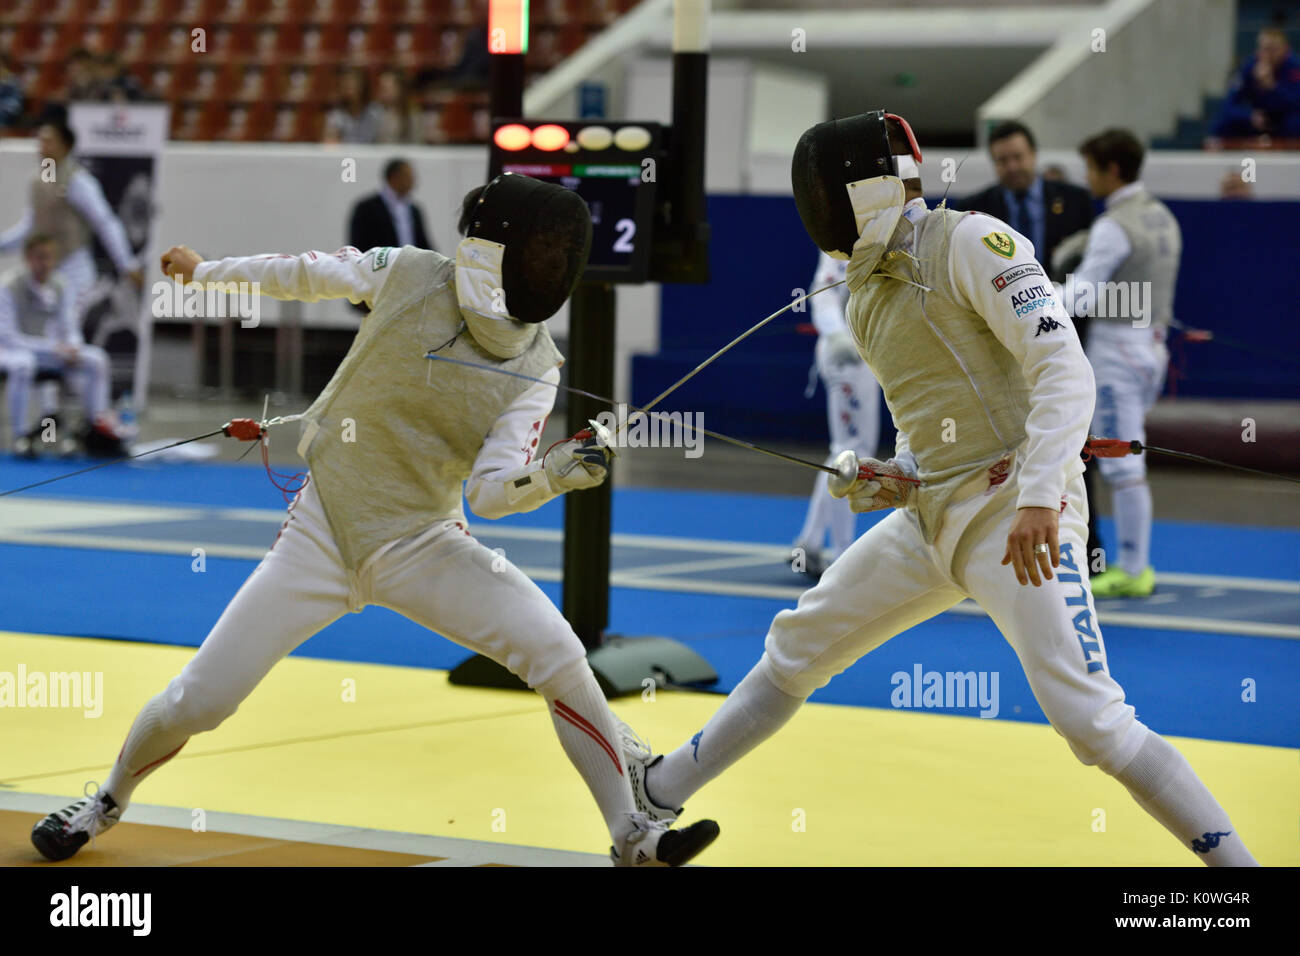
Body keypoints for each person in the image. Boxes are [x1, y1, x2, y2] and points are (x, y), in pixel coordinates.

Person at [29, 173, 720, 868]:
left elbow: (487, 493)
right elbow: (304, 274)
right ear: (495, 247)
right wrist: (208, 272)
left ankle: (634, 836)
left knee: (556, 649)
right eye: (539, 250)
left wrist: (551, 474)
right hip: (322, 531)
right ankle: (106, 801)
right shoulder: (408, 271)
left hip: (423, 542)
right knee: (198, 702)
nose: (548, 265)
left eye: (557, 255)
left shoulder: (538, 363)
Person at [622, 111, 1256, 866]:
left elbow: (1064, 372)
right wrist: (898, 478)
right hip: (930, 518)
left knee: (1091, 721)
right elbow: (930, 416)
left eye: (823, 193)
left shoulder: (971, 243)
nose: (814, 211)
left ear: (862, 191)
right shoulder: (863, 288)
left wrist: (1040, 499)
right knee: (797, 647)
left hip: (1014, 512)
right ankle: (659, 791)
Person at [956, 120, 1102, 568]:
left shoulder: (1077, 203)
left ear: (1034, 156)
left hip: (1065, 342)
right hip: (1001, 350)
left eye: (1018, 157)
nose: (1012, 166)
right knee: (1001, 450)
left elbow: (1095, 275)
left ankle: (1086, 551)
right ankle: (990, 556)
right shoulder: (975, 211)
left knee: (1074, 444)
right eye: (1002, 160)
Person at [1065, 129, 1180, 599]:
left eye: (1091, 167)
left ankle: (1133, 568)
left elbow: (1082, 295)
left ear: (1111, 170)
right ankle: (1127, 563)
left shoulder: (1115, 225)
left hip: (1116, 354)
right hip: (1151, 347)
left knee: (1122, 463)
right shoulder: (1161, 215)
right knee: (1119, 453)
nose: (1087, 177)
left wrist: (1024, 297)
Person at [791, 249, 882, 578]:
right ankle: (841, 557)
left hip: (864, 352)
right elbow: (823, 294)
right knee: (852, 453)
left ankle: (810, 543)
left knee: (843, 450)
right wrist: (837, 334)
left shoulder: (879, 232)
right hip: (847, 356)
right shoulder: (839, 238)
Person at [0, 234, 115, 457]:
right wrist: (54, 349)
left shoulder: (60, 285)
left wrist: (73, 345)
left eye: (49, 258)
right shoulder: (9, 286)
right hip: (9, 350)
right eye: (39, 258)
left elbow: (69, 325)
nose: (45, 264)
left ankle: (96, 430)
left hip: (45, 350)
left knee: (96, 359)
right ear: (27, 258)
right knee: (23, 364)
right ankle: (19, 436)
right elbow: (8, 336)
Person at [1211, 27, 1300, 139]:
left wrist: (1272, 87)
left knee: (1295, 122)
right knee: (1223, 122)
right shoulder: (1249, 67)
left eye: (1273, 49)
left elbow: (1296, 103)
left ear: (1285, 49)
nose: (1268, 54)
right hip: (1257, 117)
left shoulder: (1295, 68)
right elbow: (1229, 104)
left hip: (1284, 119)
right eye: (1264, 49)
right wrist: (1249, 116)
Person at [323, 67, 383, 145]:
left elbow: (383, 143)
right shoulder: (335, 115)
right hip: (345, 156)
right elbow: (329, 144)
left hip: (371, 155)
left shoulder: (375, 112)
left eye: (352, 81)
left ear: (362, 85)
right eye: (345, 82)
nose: (348, 85)